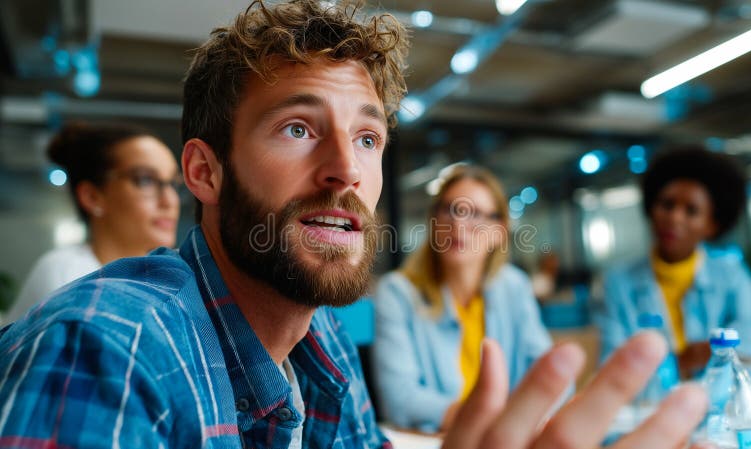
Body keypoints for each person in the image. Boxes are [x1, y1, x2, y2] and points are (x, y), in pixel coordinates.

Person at [0, 2, 708, 448]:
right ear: (205, 171)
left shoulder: (322, 334)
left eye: (368, 139)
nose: (345, 170)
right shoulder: (109, 347)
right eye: (298, 128)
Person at [372, 164, 552, 432]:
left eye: (475, 214)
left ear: (499, 231)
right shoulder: (397, 293)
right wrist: (490, 420)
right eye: (449, 209)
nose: (458, 223)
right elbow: (400, 399)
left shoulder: (514, 287)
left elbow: (549, 377)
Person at [596, 144, 751, 379]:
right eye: (667, 204)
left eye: (691, 211)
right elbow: (611, 361)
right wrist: (684, 361)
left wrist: (676, 362)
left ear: (712, 225)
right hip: (648, 398)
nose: (674, 218)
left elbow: (750, 339)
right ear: (651, 209)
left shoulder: (732, 275)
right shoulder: (617, 282)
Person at [5, 122, 180, 323]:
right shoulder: (66, 275)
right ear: (92, 197)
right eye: (145, 180)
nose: (170, 201)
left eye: (174, 184)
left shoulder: (168, 280)